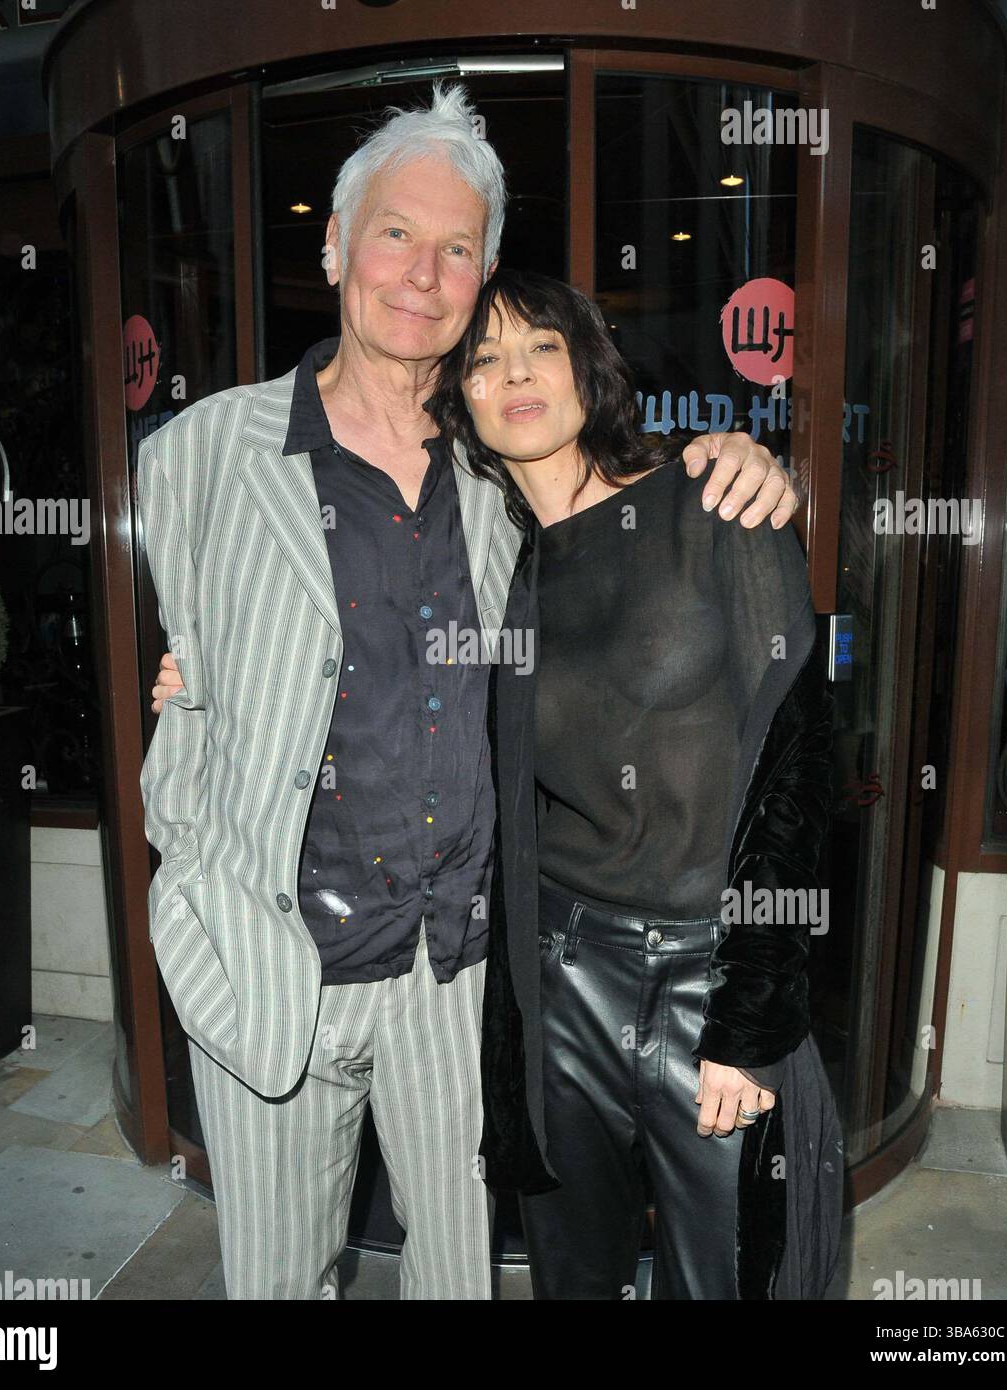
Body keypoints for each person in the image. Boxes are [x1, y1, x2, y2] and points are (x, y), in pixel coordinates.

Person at [140, 81, 800, 1301]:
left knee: (459, 1277)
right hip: (272, 959)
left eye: (458, 248)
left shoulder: (505, 477)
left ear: (485, 268)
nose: (422, 272)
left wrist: (740, 453)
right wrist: (190, 787)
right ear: (336, 243)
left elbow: (637, 536)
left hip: (463, 983)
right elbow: (191, 673)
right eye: (396, 232)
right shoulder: (194, 456)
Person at [421, 266, 842, 1300]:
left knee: (724, 1278)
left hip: (712, 978)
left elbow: (797, 762)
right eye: (483, 358)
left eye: (541, 347)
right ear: (460, 401)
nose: (513, 372)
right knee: (574, 1274)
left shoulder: (715, 504)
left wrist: (748, 1025)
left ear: (588, 370)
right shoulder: (494, 571)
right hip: (560, 975)